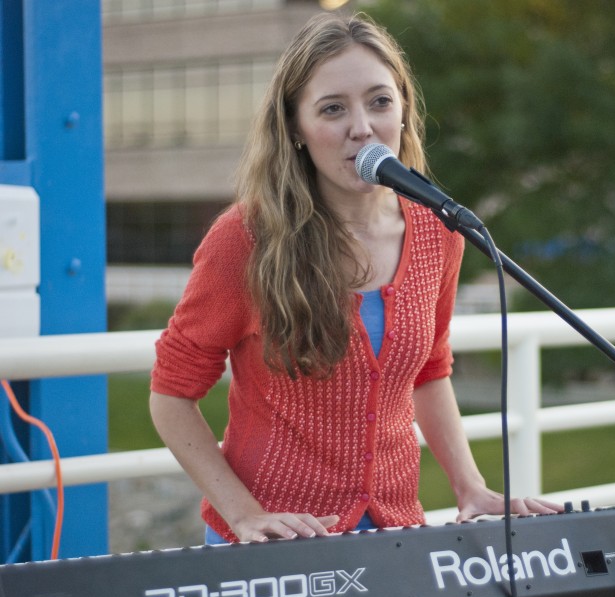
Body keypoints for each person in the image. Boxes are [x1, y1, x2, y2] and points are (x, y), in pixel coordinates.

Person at [149, 10, 562, 553]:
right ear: (295, 127)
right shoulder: (246, 239)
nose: (361, 127)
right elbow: (171, 394)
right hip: (268, 543)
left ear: (404, 112)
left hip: (392, 539)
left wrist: (471, 488)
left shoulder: (440, 234)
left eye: (379, 101)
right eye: (333, 108)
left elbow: (430, 372)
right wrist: (245, 514)